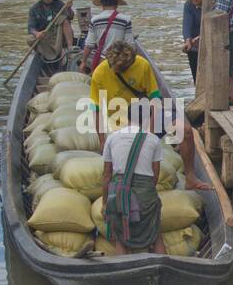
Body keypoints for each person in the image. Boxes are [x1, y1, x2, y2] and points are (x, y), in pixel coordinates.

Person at [89, 41, 210, 192]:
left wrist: (150, 134)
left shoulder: (142, 65)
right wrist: (102, 140)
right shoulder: (99, 74)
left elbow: (155, 100)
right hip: (121, 120)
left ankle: (190, 178)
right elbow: (96, 109)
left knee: (185, 130)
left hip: (146, 114)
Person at [99, 90, 166, 256]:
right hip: (146, 196)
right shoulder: (153, 139)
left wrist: (105, 203)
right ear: (146, 119)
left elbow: (106, 175)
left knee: (121, 238)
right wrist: (145, 193)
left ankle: (122, 268)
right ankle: (161, 264)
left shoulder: (112, 138)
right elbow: (155, 176)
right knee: (156, 235)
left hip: (120, 195)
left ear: (126, 116)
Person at [80, 0, 135, 74]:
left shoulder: (95, 20)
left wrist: (83, 61)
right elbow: (130, 44)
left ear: (102, 5)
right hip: (120, 62)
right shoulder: (126, 19)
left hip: (102, 61)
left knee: (102, 86)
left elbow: (89, 44)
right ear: (116, 5)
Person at [27, 0, 75, 73]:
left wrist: (69, 8)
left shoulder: (59, 4)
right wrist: (37, 33)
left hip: (59, 35)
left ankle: (70, 48)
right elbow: (31, 27)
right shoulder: (34, 9)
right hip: (44, 36)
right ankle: (48, 54)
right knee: (30, 38)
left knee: (64, 20)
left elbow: (70, 17)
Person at [182, 0, 205, 82]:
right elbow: (186, 25)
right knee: (197, 78)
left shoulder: (212, 5)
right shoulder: (189, 5)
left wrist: (199, 38)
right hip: (194, 47)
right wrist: (188, 40)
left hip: (209, 47)